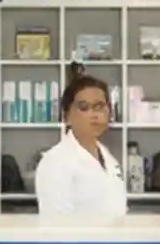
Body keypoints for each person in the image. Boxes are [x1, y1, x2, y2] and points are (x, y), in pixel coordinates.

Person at [35, 74, 127, 216]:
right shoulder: (55, 162)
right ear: (67, 117)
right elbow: (56, 226)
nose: (94, 114)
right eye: (84, 108)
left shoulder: (108, 157)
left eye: (99, 106)